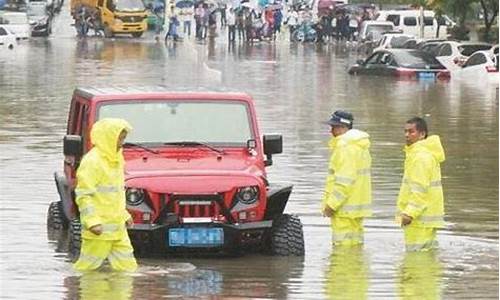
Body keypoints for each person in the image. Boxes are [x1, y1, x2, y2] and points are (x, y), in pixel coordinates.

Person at [73, 118, 138, 272]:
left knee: (128, 270)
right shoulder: (92, 161)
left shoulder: (116, 159)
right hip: (99, 231)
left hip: (117, 230)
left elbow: (115, 194)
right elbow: (84, 195)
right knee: (87, 269)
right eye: (119, 138)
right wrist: (92, 222)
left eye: (123, 138)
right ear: (109, 137)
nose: (122, 143)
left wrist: (124, 215)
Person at [321, 110, 372, 246]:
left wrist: (331, 205)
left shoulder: (345, 148)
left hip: (343, 210)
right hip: (356, 209)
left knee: (341, 251)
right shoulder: (360, 146)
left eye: (334, 127)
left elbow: (344, 182)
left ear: (344, 127)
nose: (331, 131)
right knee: (355, 248)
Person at [397, 117, 445, 252]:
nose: (407, 135)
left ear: (422, 134)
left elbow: (419, 190)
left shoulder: (420, 158)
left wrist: (409, 213)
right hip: (426, 218)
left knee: (416, 260)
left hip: (418, 219)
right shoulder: (421, 154)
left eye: (411, 132)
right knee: (427, 255)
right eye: (405, 131)